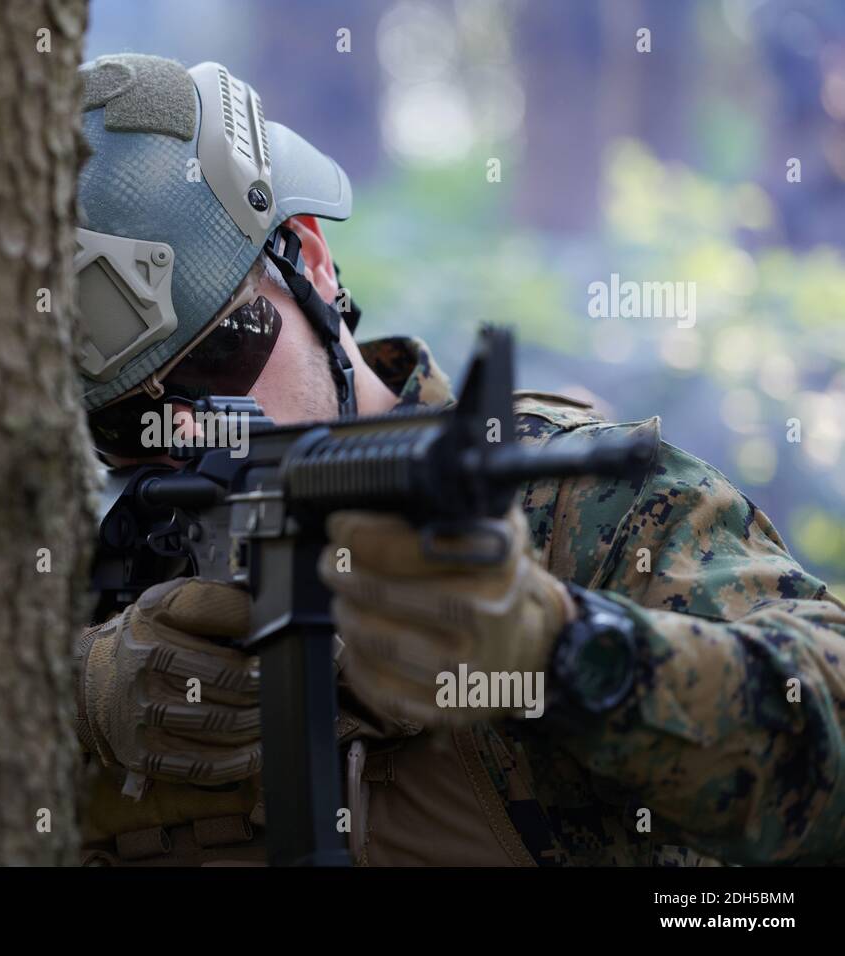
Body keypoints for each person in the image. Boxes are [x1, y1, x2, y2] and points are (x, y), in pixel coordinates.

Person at [69, 54, 845, 866]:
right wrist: (78, 696)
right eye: (127, 420)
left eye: (220, 357)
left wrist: (563, 652)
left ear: (312, 260)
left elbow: (824, 722)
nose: (192, 432)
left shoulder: (570, 508)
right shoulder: (81, 547)